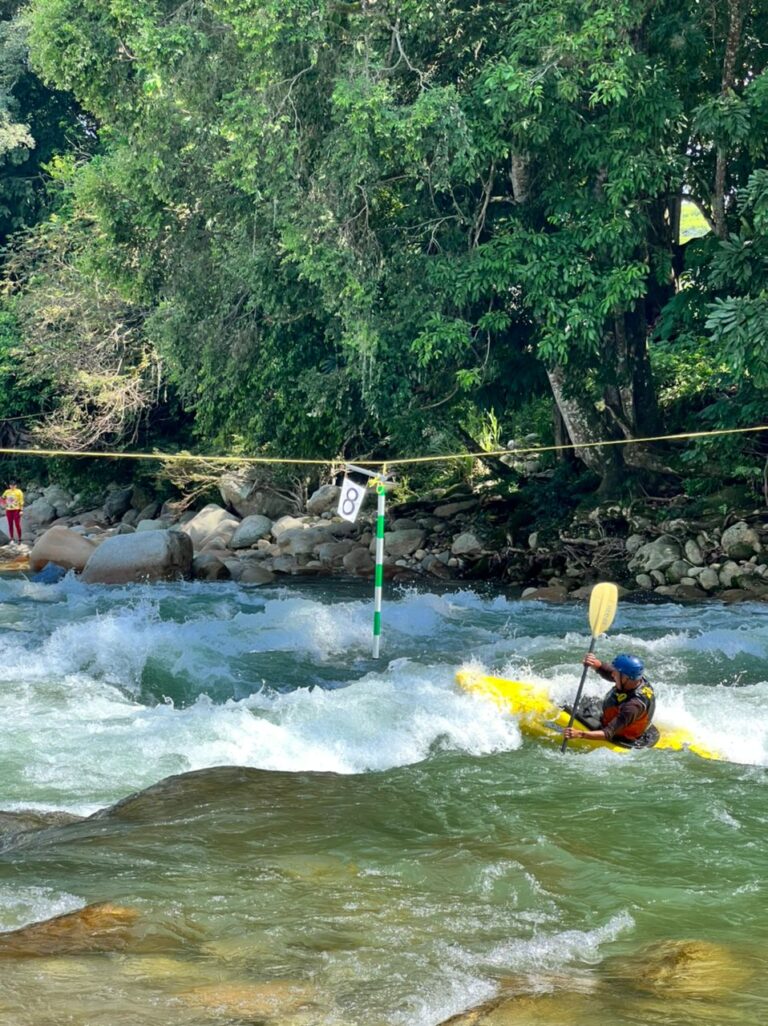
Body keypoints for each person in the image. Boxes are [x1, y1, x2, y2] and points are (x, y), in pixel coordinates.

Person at [562, 652, 658, 749]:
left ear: (626, 678)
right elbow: (610, 672)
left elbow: (608, 733)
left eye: (615, 673)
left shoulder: (633, 706)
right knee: (583, 698)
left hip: (620, 734)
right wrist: (595, 663)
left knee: (569, 706)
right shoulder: (634, 680)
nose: (613, 674)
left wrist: (580, 734)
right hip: (618, 716)